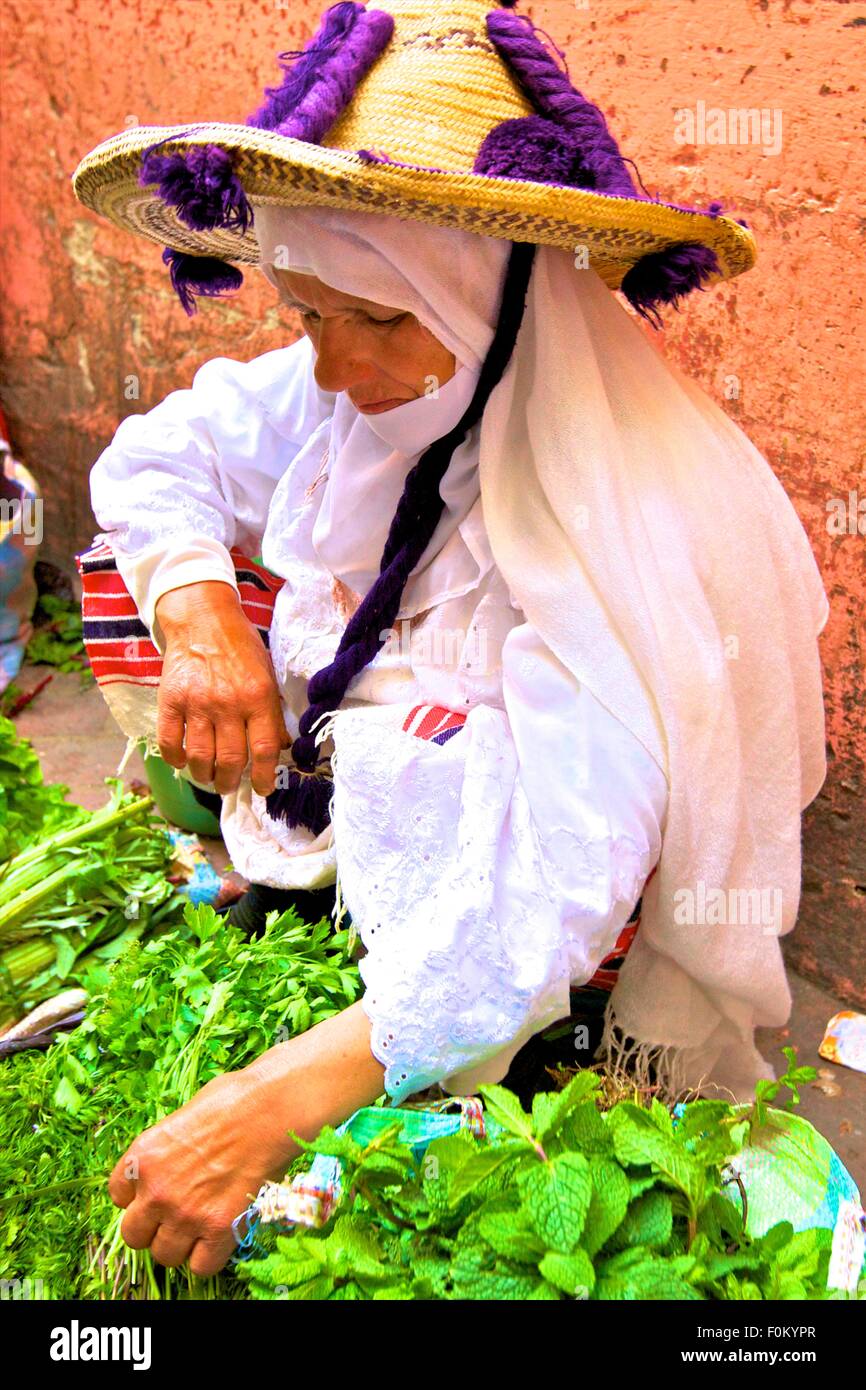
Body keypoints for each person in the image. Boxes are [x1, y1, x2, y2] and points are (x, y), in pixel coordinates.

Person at [71, 0, 828, 1277]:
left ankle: (475, 1029)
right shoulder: (362, 384)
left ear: (480, 298)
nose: (325, 365)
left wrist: (271, 1095)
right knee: (136, 576)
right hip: (399, 795)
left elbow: (560, 883)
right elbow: (166, 454)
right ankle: (343, 900)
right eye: (307, 313)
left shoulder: (618, 516)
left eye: (371, 320)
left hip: (577, 914)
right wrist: (200, 618)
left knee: (503, 941)